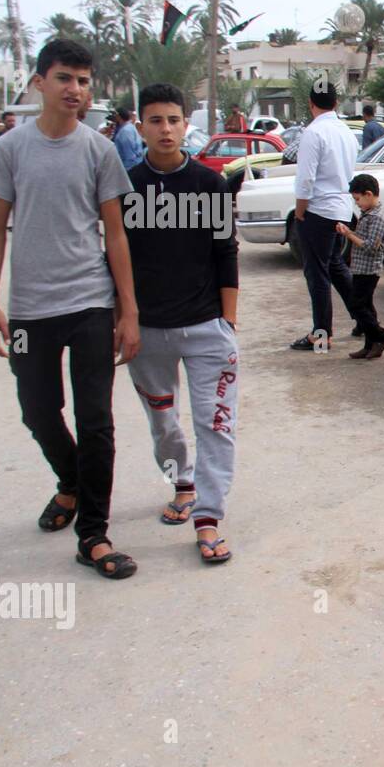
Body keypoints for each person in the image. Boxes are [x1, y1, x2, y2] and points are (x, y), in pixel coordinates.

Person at [0, 38, 141, 579]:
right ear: (40, 83)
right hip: (29, 311)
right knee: (38, 411)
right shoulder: (10, 149)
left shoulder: (99, 150)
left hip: (90, 304)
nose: (76, 90)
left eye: (84, 81)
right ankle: (71, 482)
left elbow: (115, 236)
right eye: (65, 78)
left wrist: (128, 312)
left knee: (96, 421)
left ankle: (92, 534)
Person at [121, 82, 239, 562]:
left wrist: (228, 323)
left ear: (186, 124)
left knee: (217, 424)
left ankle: (208, 518)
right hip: (146, 330)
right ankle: (182, 482)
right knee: (163, 421)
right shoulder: (123, 185)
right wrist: (122, 318)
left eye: (173, 119)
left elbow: (225, 255)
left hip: (206, 328)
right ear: (140, 126)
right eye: (155, 120)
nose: (165, 129)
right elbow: (116, 257)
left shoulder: (209, 183)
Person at [290, 81, 360, 351]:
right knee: (335, 268)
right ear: (336, 103)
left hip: (318, 210)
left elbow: (306, 179)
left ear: (311, 103)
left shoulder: (313, 132)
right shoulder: (346, 132)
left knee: (317, 274)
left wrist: (299, 211)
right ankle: (364, 319)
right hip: (342, 208)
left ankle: (321, 336)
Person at [336, 173, 384, 358]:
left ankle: (382, 336)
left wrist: (349, 235)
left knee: (357, 305)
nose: (357, 203)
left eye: (358, 199)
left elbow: (370, 247)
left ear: (369, 194)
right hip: (361, 268)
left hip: (369, 270)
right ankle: (370, 345)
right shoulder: (368, 214)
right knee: (366, 306)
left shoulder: (377, 218)